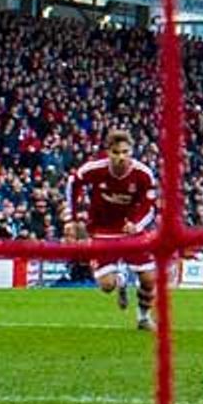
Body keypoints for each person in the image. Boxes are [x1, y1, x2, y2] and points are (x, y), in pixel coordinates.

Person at [63, 128, 159, 330]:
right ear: (108, 152)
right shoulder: (95, 169)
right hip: (102, 230)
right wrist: (72, 218)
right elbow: (73, 182)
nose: (121, 157)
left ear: (132, 151)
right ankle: (121, 280)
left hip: (131, 231)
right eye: (116, 152)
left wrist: (136, 224)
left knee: (149, 278)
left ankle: (143, 318)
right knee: (107, 286)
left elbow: (149, 206)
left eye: (125, 152)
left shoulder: (143, 174)